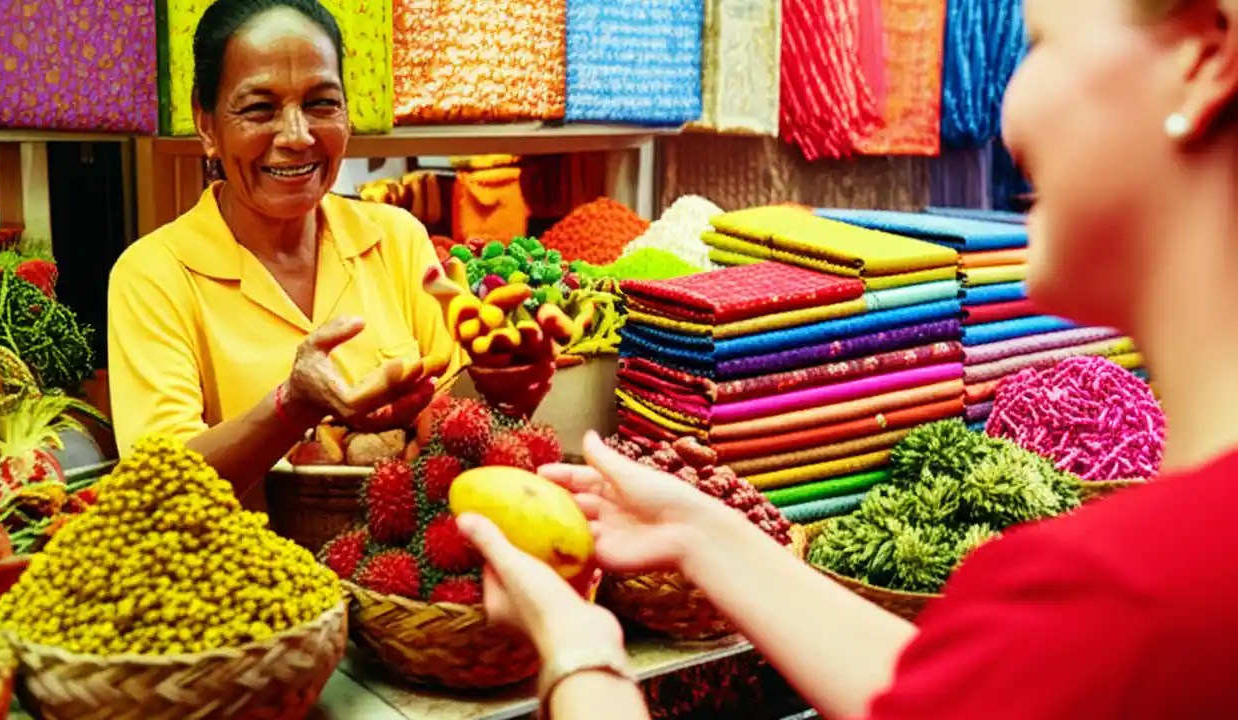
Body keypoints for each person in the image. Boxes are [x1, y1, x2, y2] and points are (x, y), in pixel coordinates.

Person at [457, 0, 1238, 717]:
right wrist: (706, 536)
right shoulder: (1172, 577)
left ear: (1202, 60)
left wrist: (575, 648)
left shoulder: (1131, 588)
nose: (1007, 119)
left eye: (1040, 45)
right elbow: (964, 696)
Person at [107, 0, 461, 495]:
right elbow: (156, 485)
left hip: (391, 560)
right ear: (206, 123)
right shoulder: (154, 275)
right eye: (258, 109)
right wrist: (290, 406)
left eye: (321, 103)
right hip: (241, 569)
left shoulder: (397, 238)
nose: (297, 137)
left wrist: (506, 381)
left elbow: (459, 409)